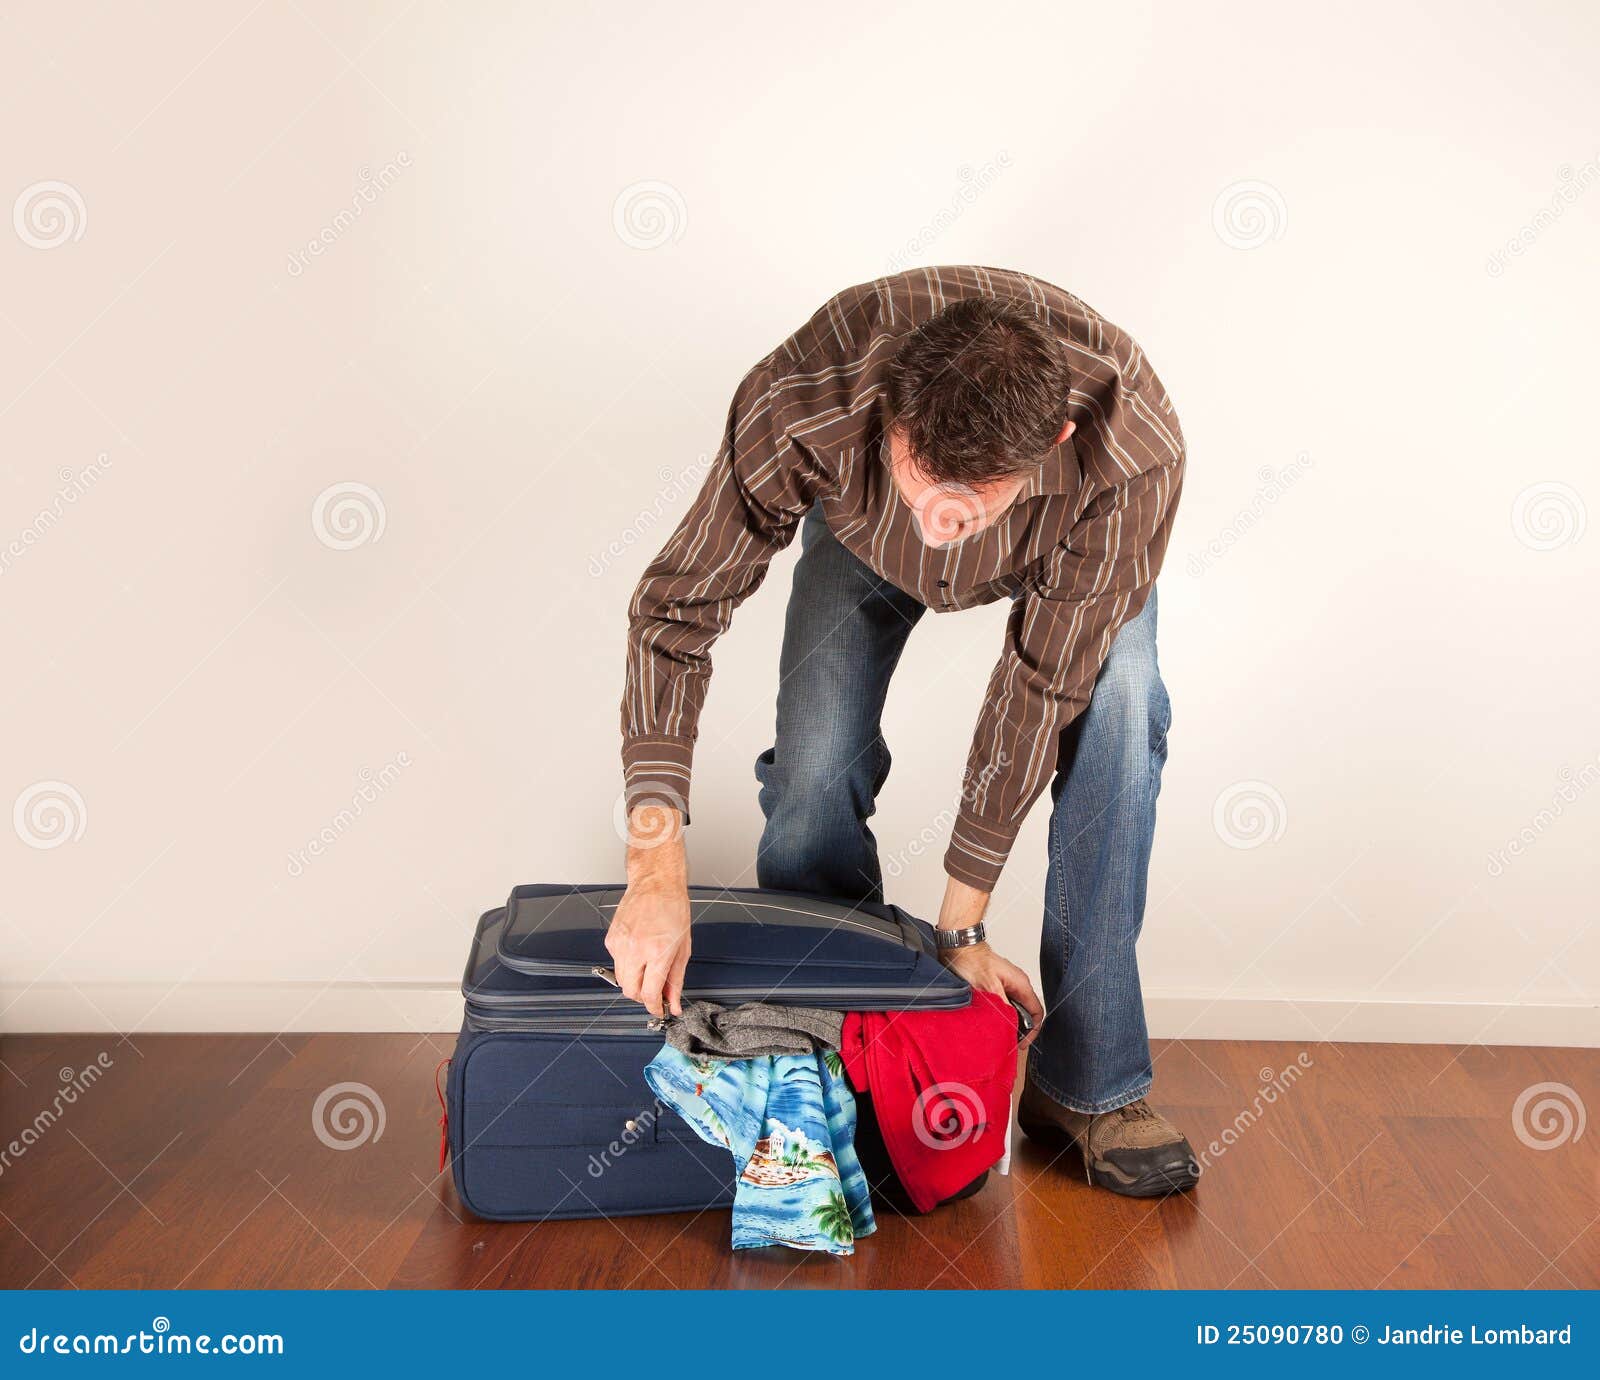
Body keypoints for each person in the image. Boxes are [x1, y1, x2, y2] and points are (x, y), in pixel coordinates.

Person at [608, 266, 1199, 1196]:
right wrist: (653, 868)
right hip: (858, 535)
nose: (943, 522)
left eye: (976, 492)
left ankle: (1088, 1085)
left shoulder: (1133, 450)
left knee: (1121, 710)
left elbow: (1037, 688)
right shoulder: (804, 397)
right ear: (890, 412)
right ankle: (834, 1044)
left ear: (1053, 441)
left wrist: (962, 932)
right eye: (924, 476)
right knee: (816, 763)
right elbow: (677, 612)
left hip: (1070, 559)